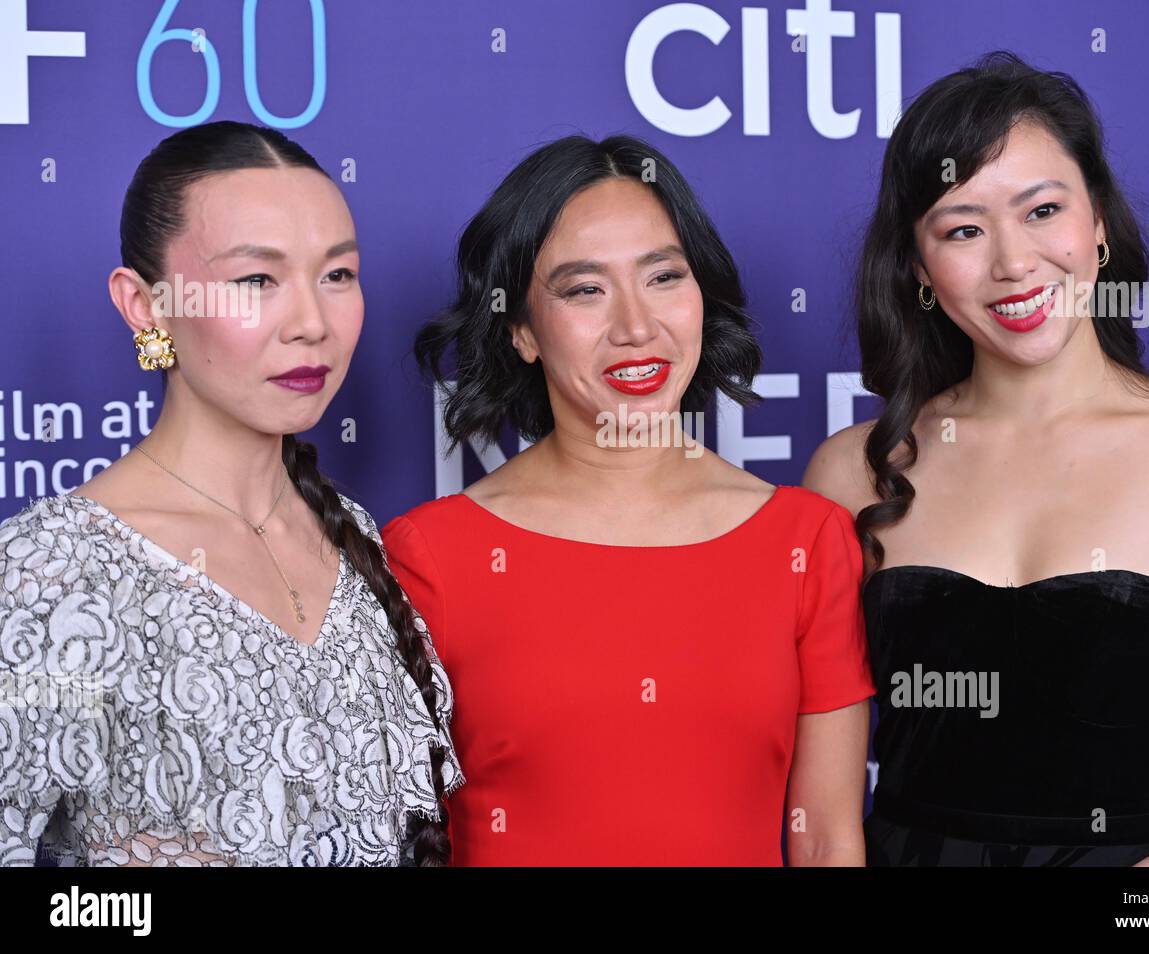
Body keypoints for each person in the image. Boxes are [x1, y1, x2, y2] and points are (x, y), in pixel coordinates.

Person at [805, 51, 1149, 867]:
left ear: (1097, 224)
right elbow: (820, 805)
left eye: (1042, 211)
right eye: (963, 228)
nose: (1013, 262)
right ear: (921, 269)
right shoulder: (853, 472)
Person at [382, 134, 874, 866]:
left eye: (664, 278)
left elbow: (830, 843)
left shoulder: (806, 542)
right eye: (585, 289)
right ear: (520, 329)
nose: (636, 327)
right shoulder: (433, 555)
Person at [0, 121, 463, 867]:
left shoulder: (354, 536)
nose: (312, 323)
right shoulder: (46, 573)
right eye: (257, 280)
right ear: (145, 305)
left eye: (337, 275)